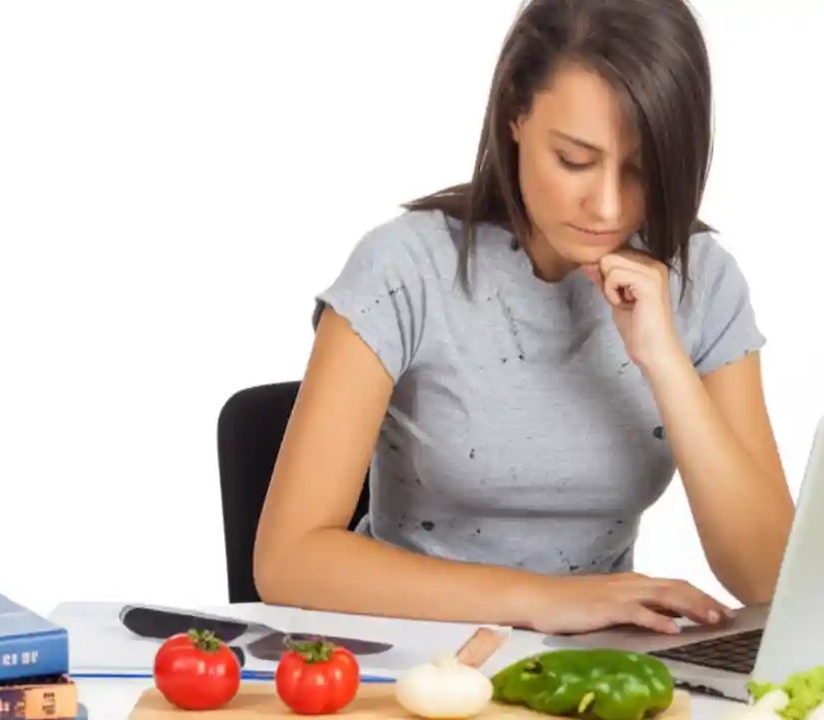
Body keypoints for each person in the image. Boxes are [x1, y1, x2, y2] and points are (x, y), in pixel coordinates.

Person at [253, 0, 795, 637]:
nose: (610, 206)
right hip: (419, 661)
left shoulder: (701, 280)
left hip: (598, 667)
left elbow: (769, 578)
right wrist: (547, 601)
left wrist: (666, 363)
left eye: (642, 170)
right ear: (514, 113)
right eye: (574, 160)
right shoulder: (405, 267)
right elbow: (288, 559)